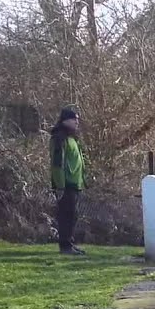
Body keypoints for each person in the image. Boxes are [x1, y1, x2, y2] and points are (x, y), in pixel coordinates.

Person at [50, 106, 86, 255]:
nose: (77, 122)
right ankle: (65, 246)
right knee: (66, 216)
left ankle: (69, 242)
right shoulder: (60, 138)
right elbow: (57, 164)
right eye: (73, 119)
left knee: (72, 216)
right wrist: (60, 186)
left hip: (74, 184)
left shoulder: (72, 138)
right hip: (65, 185)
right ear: (65, 121)